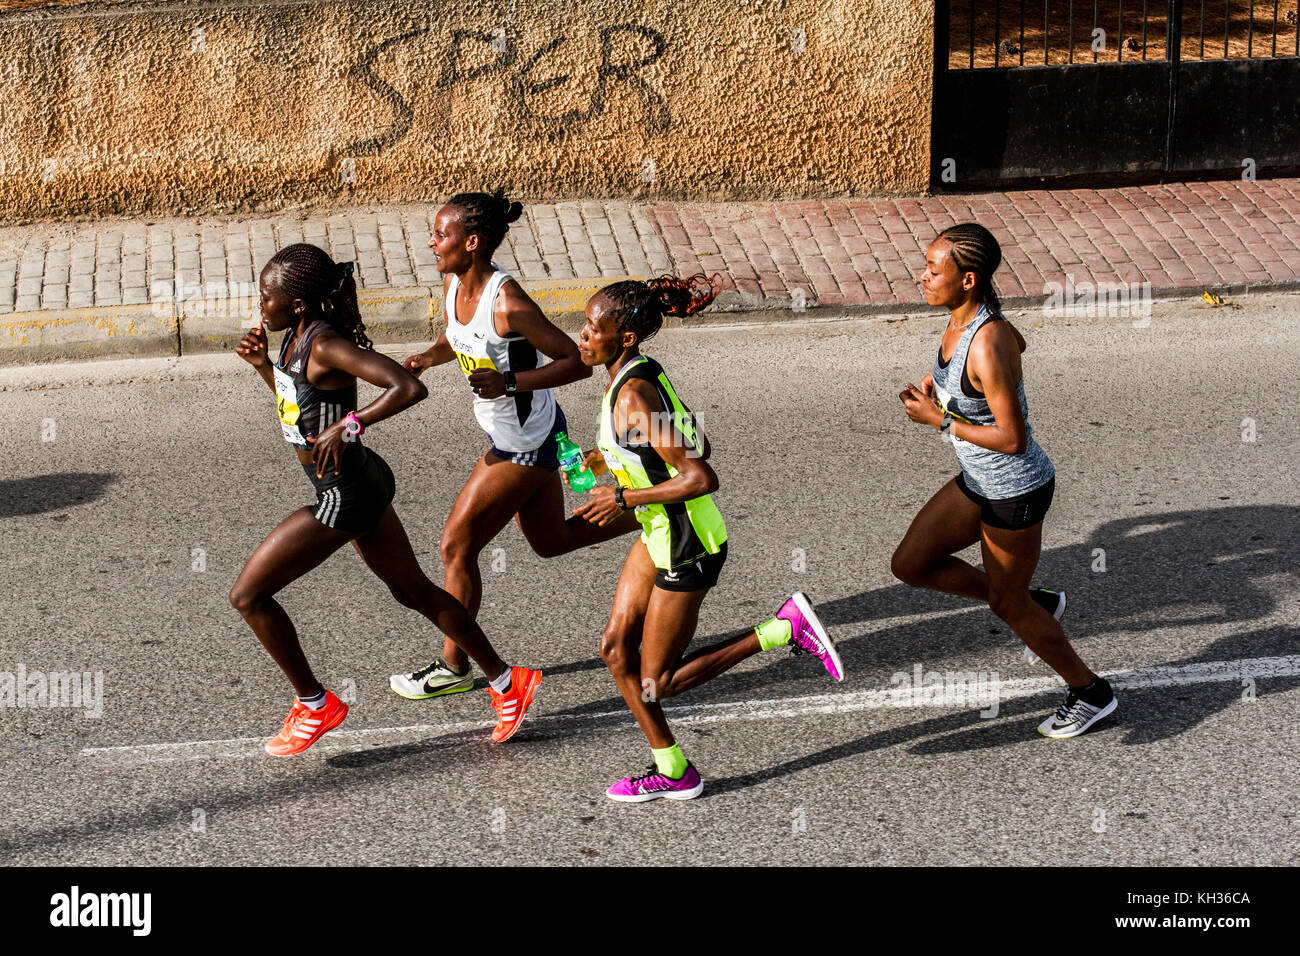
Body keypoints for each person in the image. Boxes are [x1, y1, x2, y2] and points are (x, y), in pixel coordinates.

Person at [231, 243, 541, 755]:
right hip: (360, 481)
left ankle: (314, 704)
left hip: (345, 495)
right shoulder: (291, 342)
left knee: (249, 596)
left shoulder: (324, 343)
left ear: (300, 304)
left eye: (268, 295)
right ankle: (508, 683)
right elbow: (298, 405)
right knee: (414, 590)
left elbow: (406, 386)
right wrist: (265, 367)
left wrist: (352, 424)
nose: (260, 303)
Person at [572, 273, 844, 803]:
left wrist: (621, 498)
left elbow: (700, 475)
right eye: (584, 324)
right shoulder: (636, 375)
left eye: (591, 327)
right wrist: (606, 459)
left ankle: (781, 630)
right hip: (659, 534)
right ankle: (672, 768)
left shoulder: (633, 395)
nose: (582, 335)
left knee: (660, 682)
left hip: (687, 544)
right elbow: (700, 441)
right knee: (613, 649)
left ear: (624, 337)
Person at [391, 189, 638, 699]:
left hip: (524, 442)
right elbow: (457, 337)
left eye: (442, 235)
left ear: (473, 242)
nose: (433, 243)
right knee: (550, 542)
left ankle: (453, 666)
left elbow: (574, 361)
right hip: (522, 432)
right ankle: (650, 513)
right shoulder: (453, 281)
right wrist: (429, 357)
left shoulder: (508, 303)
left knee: (456, 544)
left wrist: (509, 385)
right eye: (434, 234)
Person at [893, 223, 1116, 738]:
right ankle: (1034, 599)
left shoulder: (985, 343)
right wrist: (945, 390)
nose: (922, 277)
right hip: (980, 478)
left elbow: (1013, 438)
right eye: (925, 266)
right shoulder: (966, 323)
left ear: (968, 280)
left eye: (934, 269)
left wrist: (941, 421)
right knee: (910, 564)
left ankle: (1090, 692)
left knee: (1005, 604)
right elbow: (1016, 343)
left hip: (1015, 489)